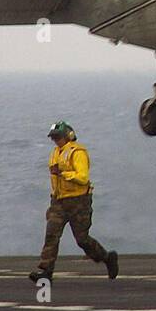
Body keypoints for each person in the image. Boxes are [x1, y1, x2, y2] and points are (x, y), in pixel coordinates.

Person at [31, 121, 119, 282]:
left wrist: (64, 173)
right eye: (53, 138)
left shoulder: (78, 152)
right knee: (51, 234)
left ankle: (107, 258)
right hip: (58, 201)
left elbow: (83, 177)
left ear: (67, 136)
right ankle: (45, 271)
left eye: (58, 137)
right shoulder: (55, 153)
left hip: (79, 202)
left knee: (82, 240)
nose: (55, 141)